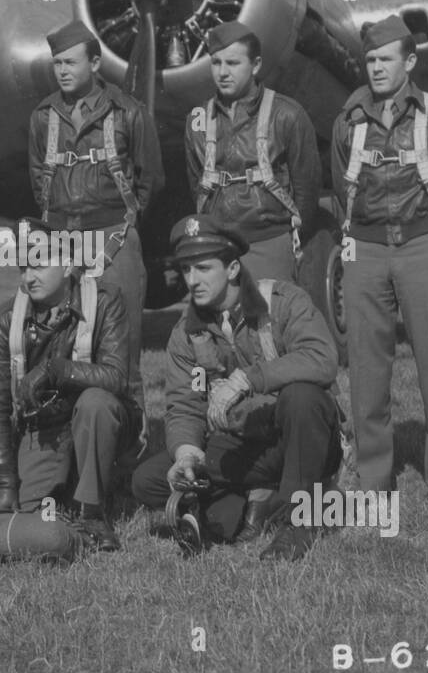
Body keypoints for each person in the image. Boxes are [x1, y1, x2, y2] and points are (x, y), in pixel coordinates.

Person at [130, 216, 342, 559]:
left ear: (231, 269)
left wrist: (248, 378)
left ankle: (297, 524)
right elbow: (184, 407)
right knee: (149, 480)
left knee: (303, 397)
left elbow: (322, 358)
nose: (192, 280)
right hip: (240, 446)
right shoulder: (185, 332)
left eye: (202, 268)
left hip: (297, 438)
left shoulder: (282, 302)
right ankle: (256, 500)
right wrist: (186, 452)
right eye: (185, 270)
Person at [330, 15, 428, 501]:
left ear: (409, 62)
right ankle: (374, 477)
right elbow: (339, 186)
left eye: (385, 59)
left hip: (424, 243)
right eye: (369, 59)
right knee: (367, 365)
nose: (375, 68)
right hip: (366, 248)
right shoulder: (348, 119)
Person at [28, 19, 164, 451]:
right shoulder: (43, 117)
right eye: (56, 63)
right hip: (61, 241)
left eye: (70, 61)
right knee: (61, 343)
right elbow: (38, 178)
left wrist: (122, 217)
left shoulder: (128, 111)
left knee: (122, 348)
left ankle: (131, 447)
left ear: (95, 61)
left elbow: (151, 178)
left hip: (114, 237)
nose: (62, 70)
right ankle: (70, 446)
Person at [0, 218, 141, 551]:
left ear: (68, 264)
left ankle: (93, 511)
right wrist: (6, 481)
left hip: (96, 418)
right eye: (23, 266)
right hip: (44, 428)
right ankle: (67, 486)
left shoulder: (106, 301)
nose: (28, 276)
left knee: (95, 402)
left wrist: (57, 369)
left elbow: (116, 378)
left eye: (38, 263)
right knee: (30, 517)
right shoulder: (6, 318)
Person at [185, 20, 321, 283]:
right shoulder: (197, 120)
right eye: (215, 62)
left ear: (256, 65)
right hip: (218, 248)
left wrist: (285, 238)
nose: (222, 72)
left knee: (270, 321)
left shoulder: (287, 114)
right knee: (221, 324)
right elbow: (197, 185)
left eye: (233, 63)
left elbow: (307, 187)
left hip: (270, 244)